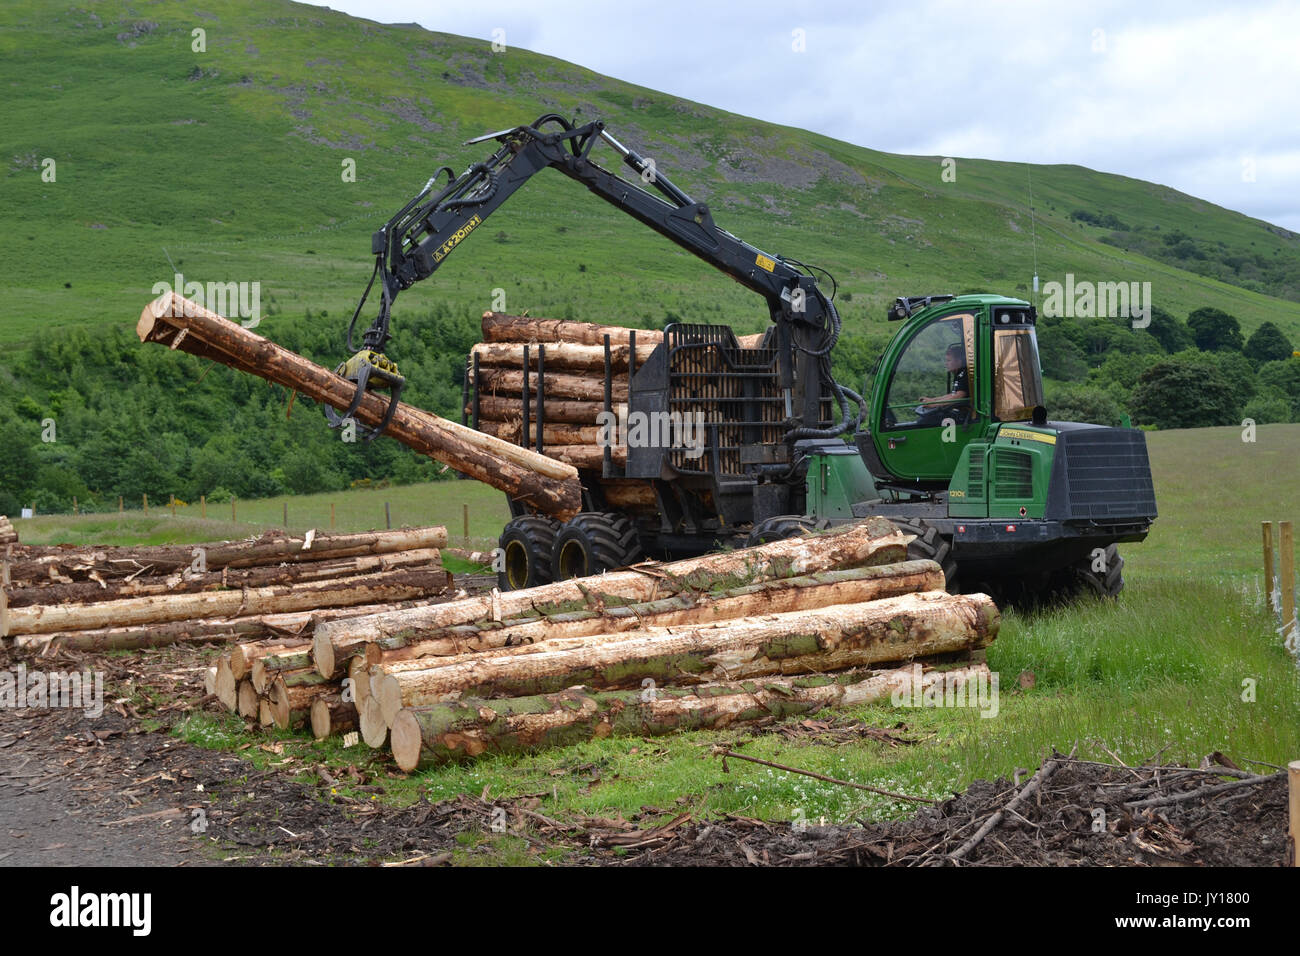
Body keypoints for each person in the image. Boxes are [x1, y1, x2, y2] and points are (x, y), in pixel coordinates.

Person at [916, 343, 970, 425]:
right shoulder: (959, 374)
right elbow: (952, 395)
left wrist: (933, 404)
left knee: (924, 422)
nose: (946, 364)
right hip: (959, 413)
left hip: (964, 416)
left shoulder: (964, 375)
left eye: (949, 360)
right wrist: (933, 400)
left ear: (959, 361)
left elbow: (958, 397)